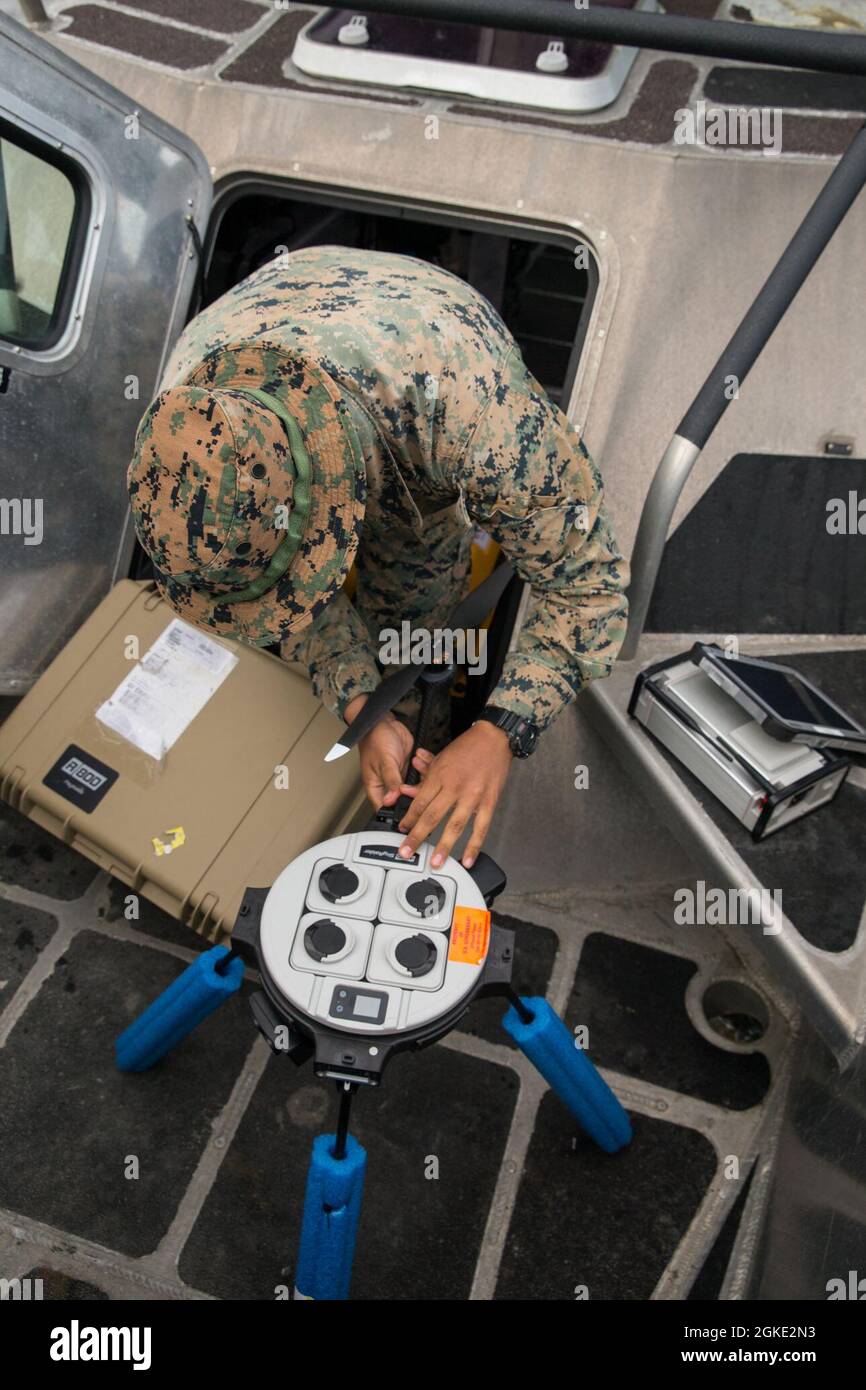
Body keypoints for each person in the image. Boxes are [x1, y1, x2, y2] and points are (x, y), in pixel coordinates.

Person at [128, 246, 628, 869]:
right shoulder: (186, 422)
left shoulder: (479, 422)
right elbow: (281, 600)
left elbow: (589, 590)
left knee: (415, 633)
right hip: (286, 312)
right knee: (390, 681)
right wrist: (362, 702)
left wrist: (501, 730)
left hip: (426, 356)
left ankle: (436, 749)